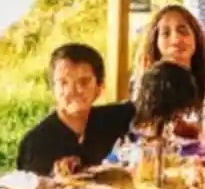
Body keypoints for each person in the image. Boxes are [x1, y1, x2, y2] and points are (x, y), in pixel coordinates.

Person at [15, 43, 135, 177]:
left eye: (84, 82)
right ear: (52, 87)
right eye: (63, 83)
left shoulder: (117, 119)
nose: (73, 91)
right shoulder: (35, 144)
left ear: (100, 86)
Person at [132, 4, 205, 117]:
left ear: (196, 39)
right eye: (166, 33)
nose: (176, 40)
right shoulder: (144, 98)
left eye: (183, 31)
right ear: (155, 43)